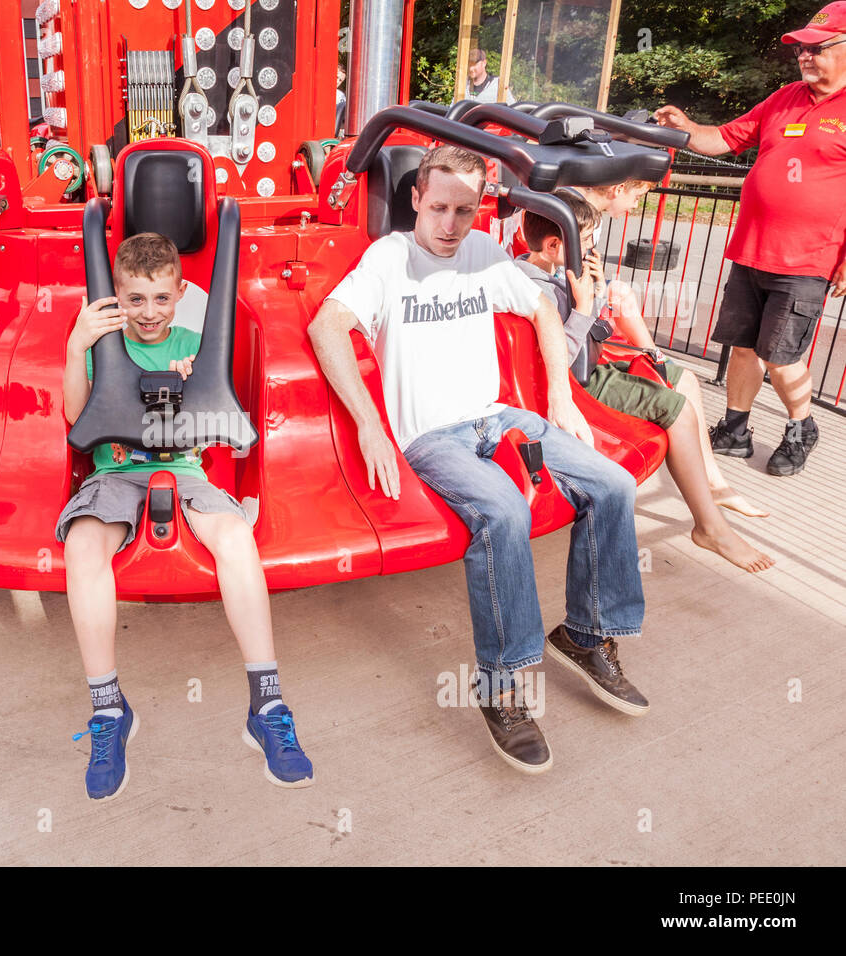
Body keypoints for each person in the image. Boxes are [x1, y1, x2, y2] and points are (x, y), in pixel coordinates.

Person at [308, 145, 650, 775]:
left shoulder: (486, 253)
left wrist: (557, 393)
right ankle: (501, 687)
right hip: (433, 436)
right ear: (415, 199)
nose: (449, 224)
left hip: (500, 417)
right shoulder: (389, 258)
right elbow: (327, 327)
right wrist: (369, 426)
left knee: (612, 483)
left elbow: (543, 307)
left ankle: (585, 632)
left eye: (464, 210)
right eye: (438, 207)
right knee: (501, 511)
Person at [58, 232, 313, 800]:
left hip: (189, 475)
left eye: (161, 299)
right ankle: (108, 709)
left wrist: (194, 380)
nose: (149, 313)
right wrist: (77, 348)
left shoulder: (198, 343)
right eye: (135, 300)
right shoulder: (101, 345)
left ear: (179, 295)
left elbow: (226, 419)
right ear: (117, 297)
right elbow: (76, 420)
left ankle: (267, 702)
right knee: (82, 544)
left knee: (236, 539)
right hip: (115, 476)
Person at [516, 189, 773, 572]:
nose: (590, 249)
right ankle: (709, 527)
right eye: (586, 242)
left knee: (683, 380)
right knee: (677, 409)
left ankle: (713, 486)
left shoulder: (557, 272)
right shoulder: (532, 286)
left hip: (593, 363)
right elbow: (560, 357)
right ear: (556, 245)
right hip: (576, 383)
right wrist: (584, 306)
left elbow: (595, 329)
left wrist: (597, 293)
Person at [654, 2, 846, 477]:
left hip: (808, 258)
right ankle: (735, 431)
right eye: (800, 47)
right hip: (752, 248)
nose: (804, 55)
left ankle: (802, 426)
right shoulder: (784, 98)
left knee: (781, 358)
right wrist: (685, 129)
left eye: (816, 47)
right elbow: (723, 137)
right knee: (742, 347)